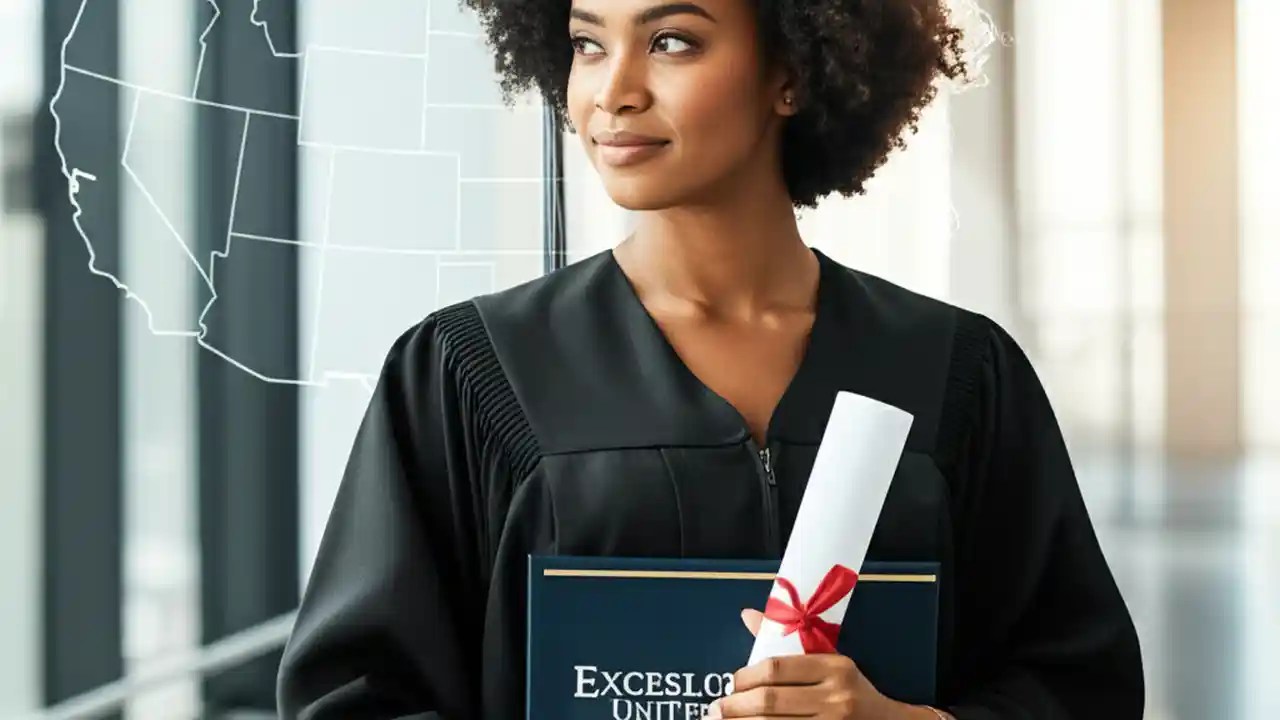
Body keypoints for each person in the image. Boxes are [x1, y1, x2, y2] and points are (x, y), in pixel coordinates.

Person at [276, 0, 1145, 717]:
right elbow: (355, 697)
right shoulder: (470, 371)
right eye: (586, 44)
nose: (612, 91)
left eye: (670, 42)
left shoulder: (953, 370)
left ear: (792, 74)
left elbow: (1082, 683)